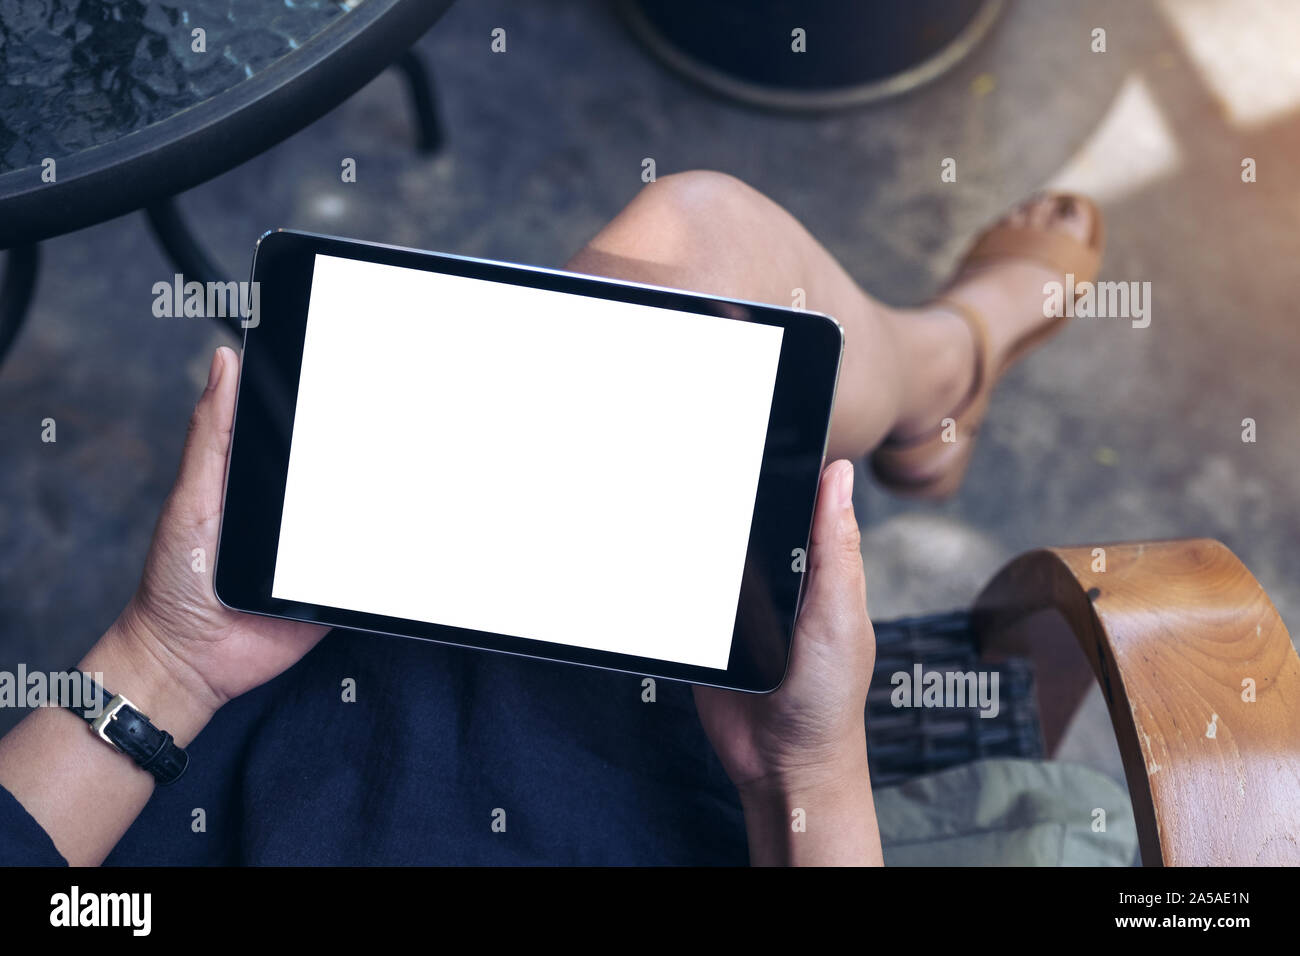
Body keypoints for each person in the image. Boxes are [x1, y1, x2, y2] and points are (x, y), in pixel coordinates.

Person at [0, 173, 1133, 866]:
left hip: (253, 737)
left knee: (664, 301)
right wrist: (804, 775)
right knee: (700, 257)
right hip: (613, 795)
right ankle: (950, 362)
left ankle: (941, 370)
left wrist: (166, 664)